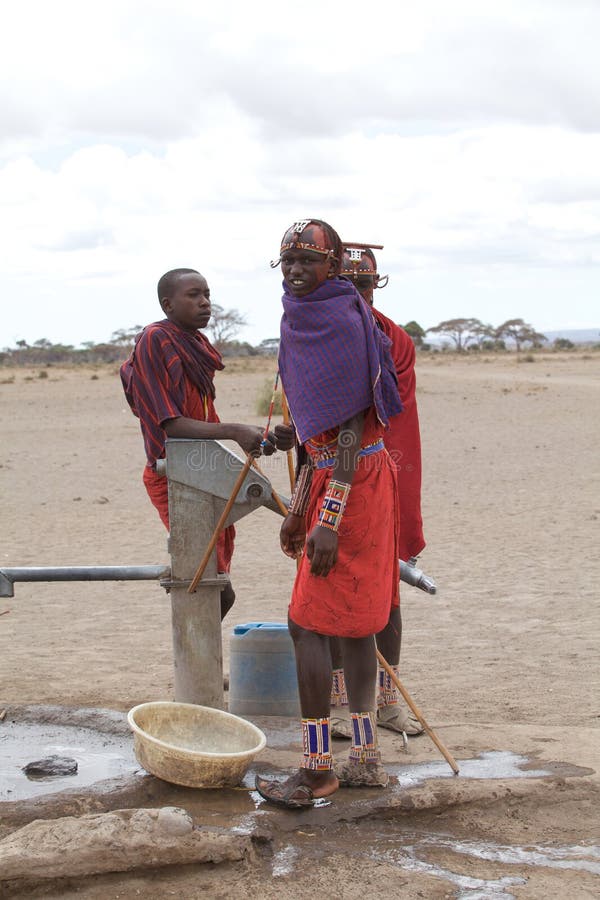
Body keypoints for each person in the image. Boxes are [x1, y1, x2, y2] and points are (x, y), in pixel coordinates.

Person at [255, 220, 403, 808]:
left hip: (352, 483)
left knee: (308, 624)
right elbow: (322, 426)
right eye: (287, 260)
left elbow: (345, 427)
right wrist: (301, 497)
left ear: (334, 265)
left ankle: (318, 769)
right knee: (357, 625)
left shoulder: (338, 320)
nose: (295, 270)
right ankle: (364, 758)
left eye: (307, 261)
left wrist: (328, 516)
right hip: (344, 475)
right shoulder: (308, 316)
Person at [120, 267, 293, 619]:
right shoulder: (155, 340)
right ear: (168, 305)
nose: (205, 303)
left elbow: (202, 416)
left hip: (202, 466)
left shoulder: (195, 344)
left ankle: (203, 676)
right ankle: (195, 674)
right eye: (194, 295)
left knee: (216, 585)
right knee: (210, 584)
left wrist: (257, 439)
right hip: (174, 474)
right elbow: (170, 425)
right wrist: (234, 431)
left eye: (207, 295)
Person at [329, 244, 426, 740]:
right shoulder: (315, 335)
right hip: (328, 474)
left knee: (386, 596)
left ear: (376, 285)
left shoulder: (394, 340)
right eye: (345, 285)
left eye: (364, 285)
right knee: (328, 593)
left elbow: (394, 423)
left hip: (380, 473)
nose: (357, 296)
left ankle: (387, 705)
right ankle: (338, 705)